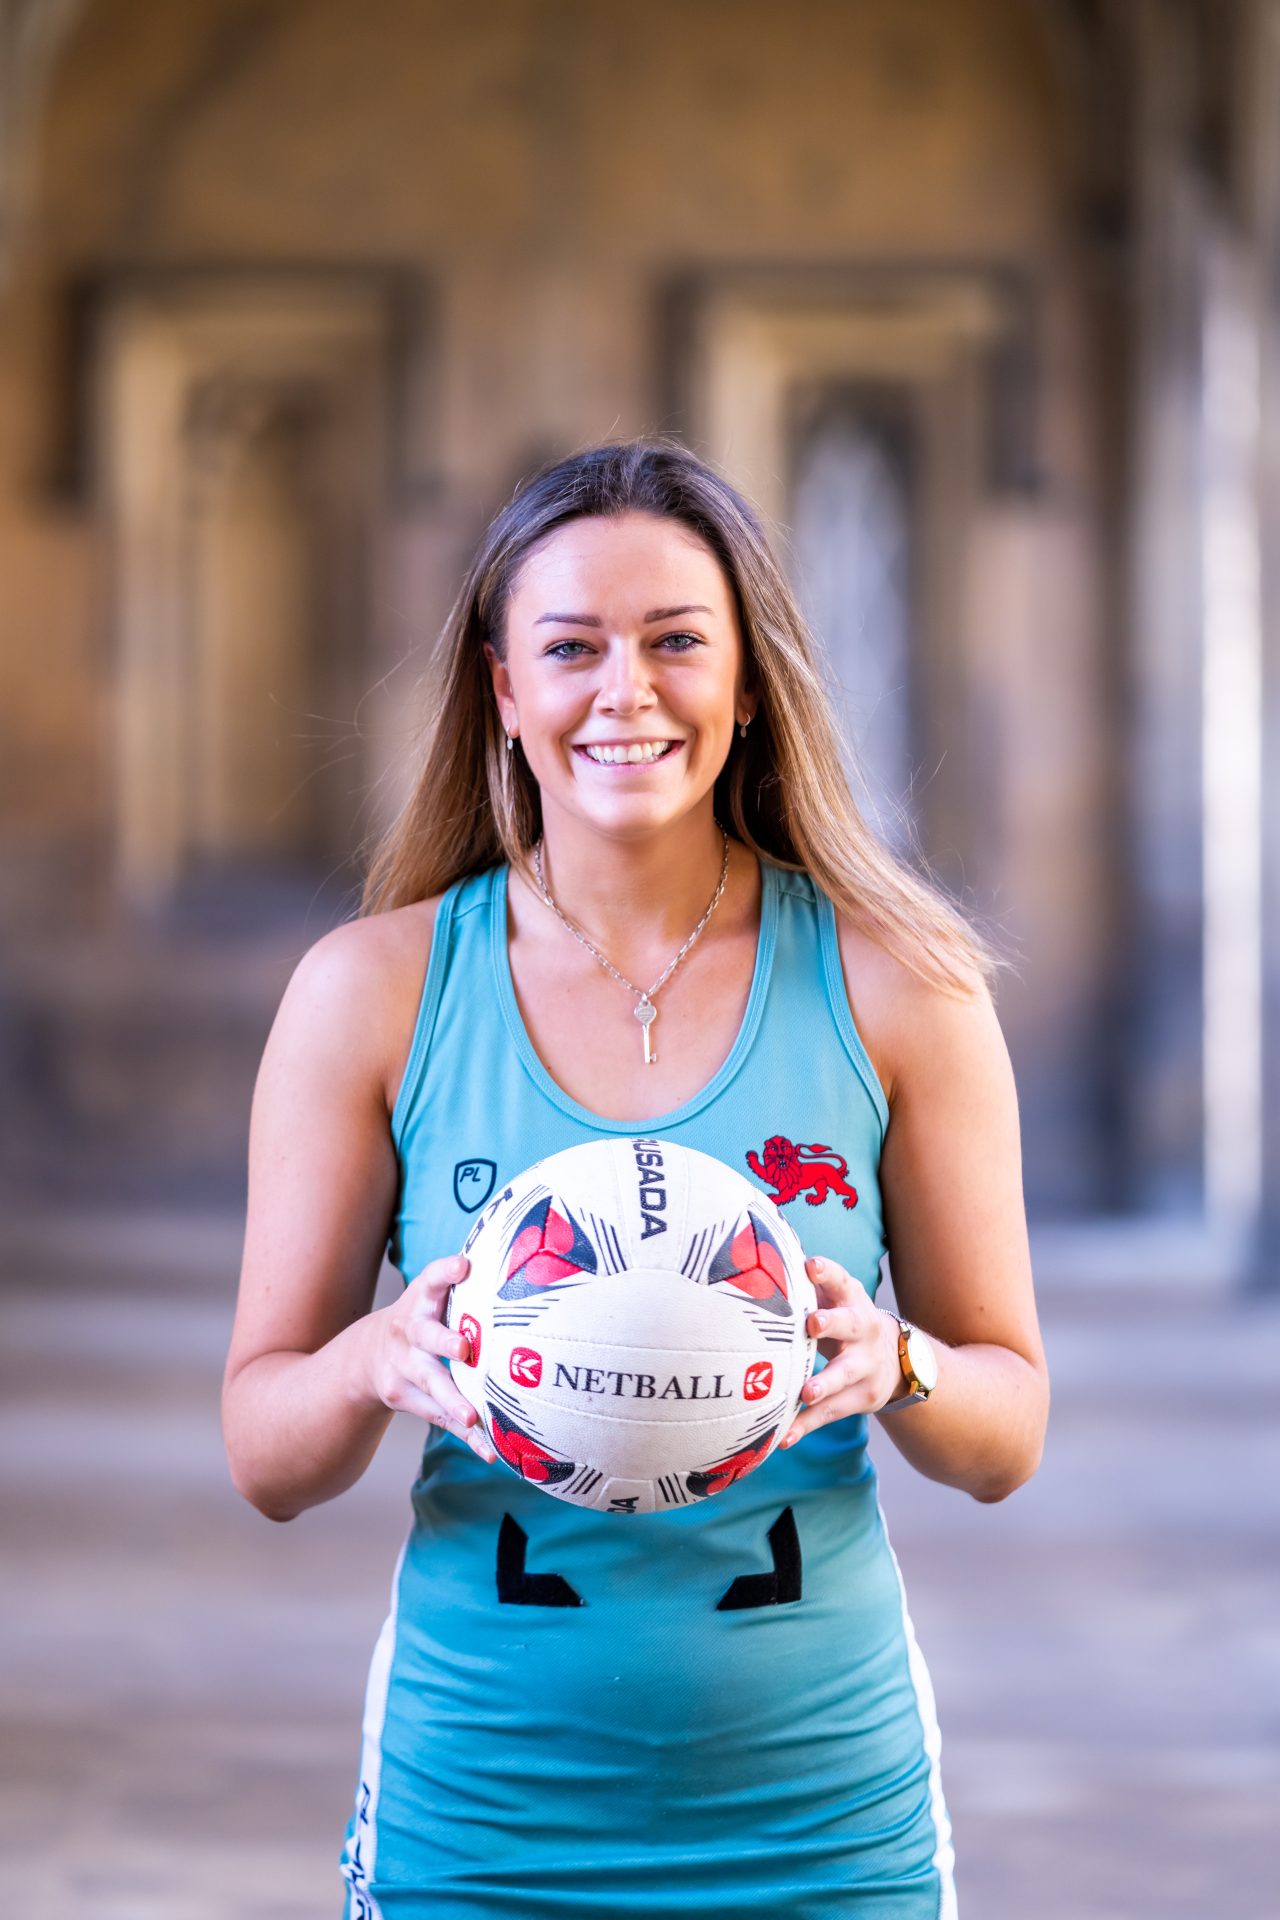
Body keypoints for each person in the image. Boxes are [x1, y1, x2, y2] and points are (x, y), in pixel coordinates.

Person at [222, 437, 1049, 1919]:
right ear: (503, 692)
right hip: (478, 1813)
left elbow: (1005, 1436)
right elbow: (267, 1455)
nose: (626, 691)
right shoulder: (372, 993)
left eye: (678, 642)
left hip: (823, 1815)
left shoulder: (903, 988)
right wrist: (374, 1357)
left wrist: (897, 1359)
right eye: (571, 648)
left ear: (748, 684)